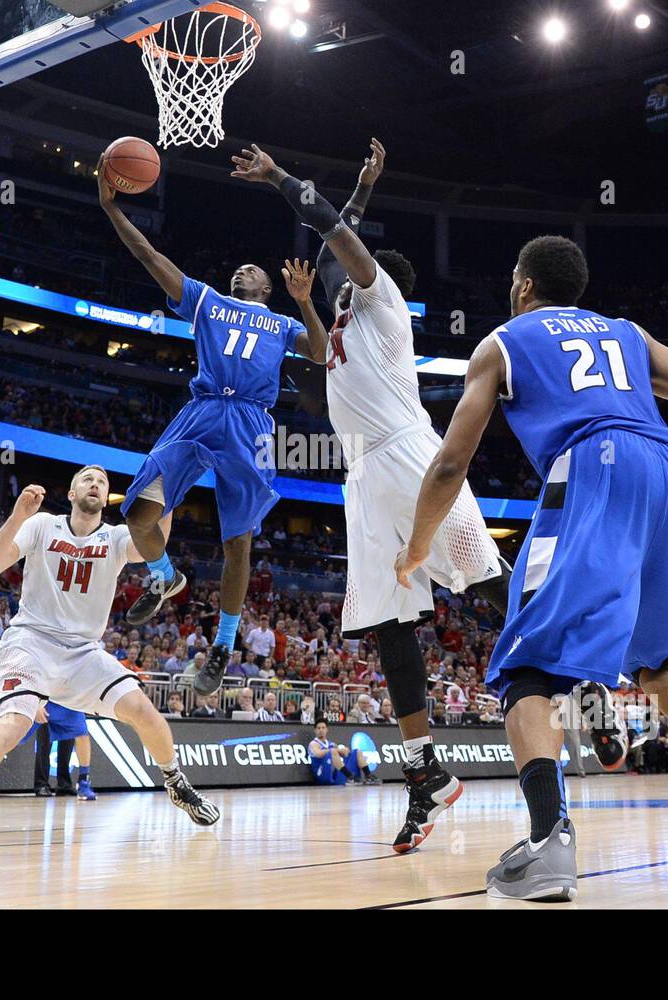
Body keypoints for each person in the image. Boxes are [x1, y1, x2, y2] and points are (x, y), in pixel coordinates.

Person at [396, 235, 668, 901]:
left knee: (525, 667)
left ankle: (548, 843)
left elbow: (450, 463)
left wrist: (419, 545)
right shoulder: (623, 332)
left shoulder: (504, 342)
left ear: (525, 285)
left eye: (514, 279)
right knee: (656, 653)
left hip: (596, 465)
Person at [231, 138, 524, 852]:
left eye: (341, 277)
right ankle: (424, 772)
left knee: (487, 582)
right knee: (390, 628)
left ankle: (577, 664)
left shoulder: (382, 302)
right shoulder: (336, 333)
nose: (332, 279)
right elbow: (318, 352)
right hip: (362, 483)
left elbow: (337, 235)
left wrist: (279, 178)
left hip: (409, 459)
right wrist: (302, 305)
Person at [0, 466, 219, 842]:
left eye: (102, 481)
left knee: (144, 711)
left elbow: (155, 544)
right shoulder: (43, 525)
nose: (95, 483)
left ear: (108, 496)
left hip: (83, 653)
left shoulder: (115, 537)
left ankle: (176, 784)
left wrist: (167, 493)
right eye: (87, 479)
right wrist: (18, 516)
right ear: (72, 492)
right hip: (31, 642)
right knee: (13, 725)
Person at [98, 150, 322, 695]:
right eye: (240, 268)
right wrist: (112, 208)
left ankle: (221, 646)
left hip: (251, 423)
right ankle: (162, 576)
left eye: (254, 270)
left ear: (267, 289)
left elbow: (319, 353)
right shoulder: (205, 301)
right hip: (200, 413)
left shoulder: (280, 319)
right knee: (139, 514)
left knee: (238, 543)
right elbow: (150, 256)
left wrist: (306, 302)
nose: (243, 269)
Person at [308, 719, 376, 785]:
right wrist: (336, 750)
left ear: (327, 729)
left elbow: (341, 756)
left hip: (334, 773)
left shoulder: (332, 744)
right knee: (333, 751)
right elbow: (318, 754)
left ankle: (368, 775)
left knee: (357, 752)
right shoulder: (313, 744)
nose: (321, 730)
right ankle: (349, 776)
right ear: (315, 730)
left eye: (323, 728)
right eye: (318, 728)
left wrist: (345, 751)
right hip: (322, 774)